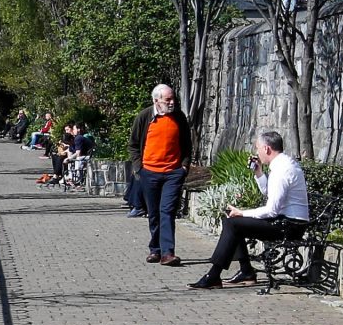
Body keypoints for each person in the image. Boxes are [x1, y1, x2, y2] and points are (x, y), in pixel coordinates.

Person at [189, 128, 311, 289]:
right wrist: (259, 173)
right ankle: (244, 271)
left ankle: (214, 275)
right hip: (286, 221)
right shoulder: (283, 164)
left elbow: (271, 210)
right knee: (234, 222)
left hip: (289, 226)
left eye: (258, 148)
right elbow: (270, 193)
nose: (257, 152)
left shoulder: (282, 170)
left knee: (233, 223)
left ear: (267, 149)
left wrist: (242, 212)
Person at [125, 83, 192, 265]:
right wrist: (139, 168)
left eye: (173, 99)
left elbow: (187, 144)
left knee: (167, 211)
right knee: (154, 213)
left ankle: (168, 253)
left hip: (172, 173)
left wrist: (184, 167)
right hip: (149, 173)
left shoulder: (178, 117)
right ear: (156, 100)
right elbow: (133, 145)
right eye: (167, 99)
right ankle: (155, 249)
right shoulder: (145, 117)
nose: (171, 103)